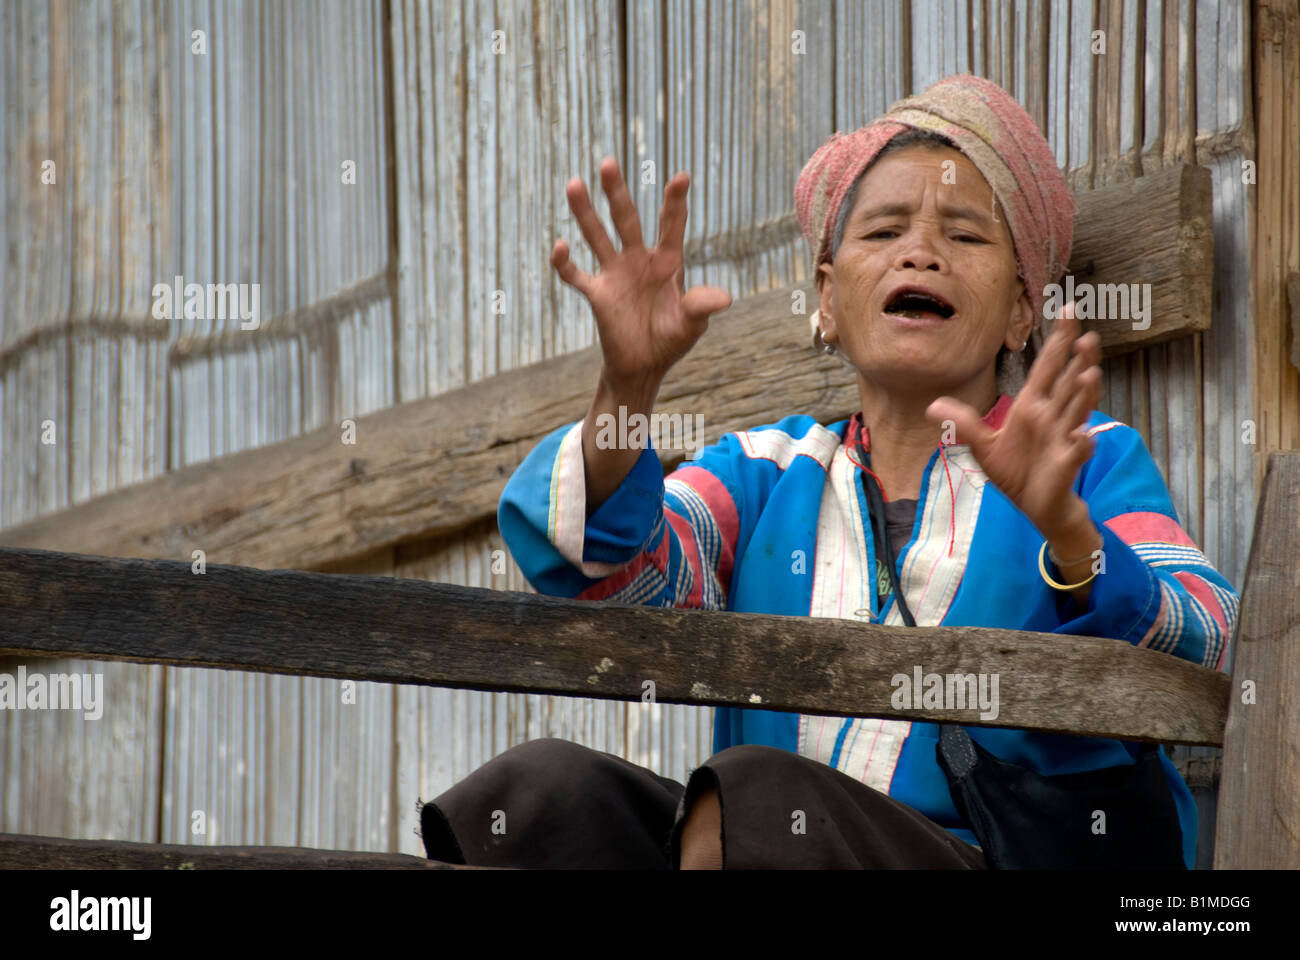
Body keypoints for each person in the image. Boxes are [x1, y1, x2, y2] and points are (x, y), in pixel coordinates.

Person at [418, 74, 1238, 870]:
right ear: (827, 298)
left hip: (986, 853)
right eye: (882, 232)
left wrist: (1068, 536)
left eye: (965, 234)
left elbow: (1205, 627)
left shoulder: (1086, 459)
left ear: (1023, 308)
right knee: (534, 797)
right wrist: (627, 386)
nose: (920, 250)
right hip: (749, 835)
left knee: (757, 802)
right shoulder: (766, 473)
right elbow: (619, 572)